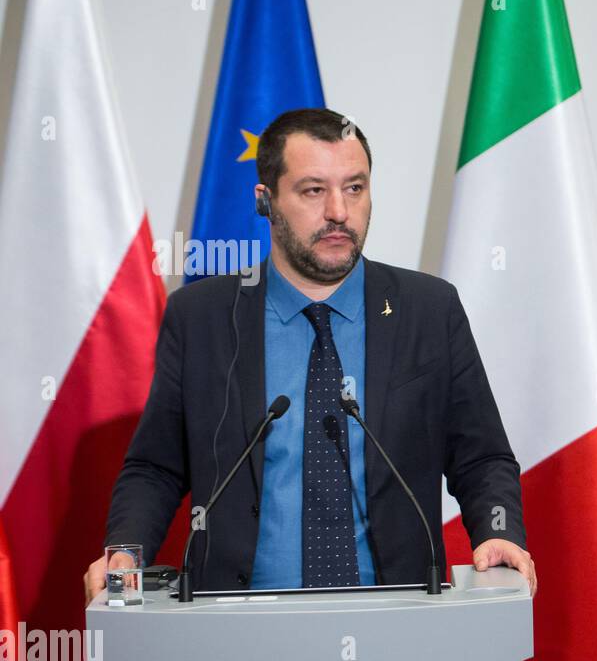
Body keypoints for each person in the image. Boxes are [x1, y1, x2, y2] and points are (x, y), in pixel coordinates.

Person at [84, 108, 536, 601]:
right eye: (313, 190)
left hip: (400, 614)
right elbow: (157, 466)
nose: (339, 211)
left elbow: (482, 456)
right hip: (236, 624)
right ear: (266, 201)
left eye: (355, 188)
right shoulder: (201, 318)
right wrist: (125, 550)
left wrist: (499, 531)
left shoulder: (428, 309)